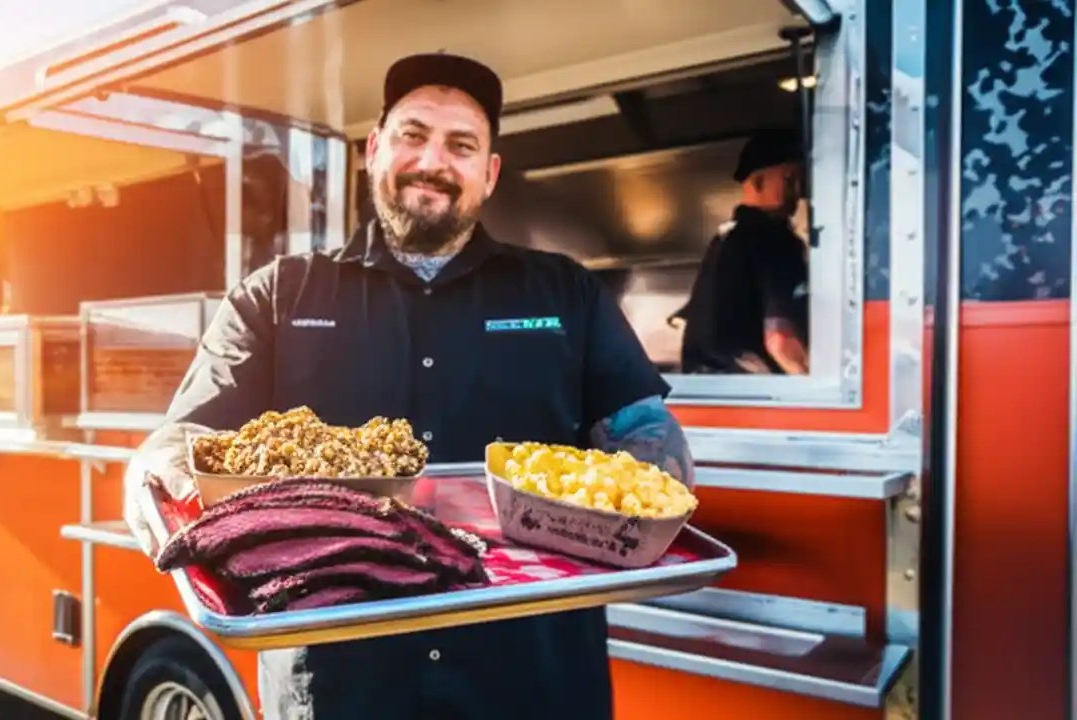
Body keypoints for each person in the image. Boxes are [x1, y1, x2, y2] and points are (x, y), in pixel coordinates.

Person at [124, 52, 695, 720]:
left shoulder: (564, 290)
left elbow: (646, 435)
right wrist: (157, 473)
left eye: (461, 145)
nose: (433, 162)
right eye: (413, 135)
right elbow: (186, 435)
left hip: (533, 679)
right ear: (374, 149)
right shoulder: (279, 293)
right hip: (340, 683)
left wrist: (652, 492)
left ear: (490, 172)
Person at [675, 129, 810, 375]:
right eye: (789, 180)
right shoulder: (775, 240)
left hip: (709, 392)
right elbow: (780, 337)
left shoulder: (725, 239)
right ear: (758, 182)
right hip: (755, 394)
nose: (798, 191)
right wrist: (811, 388)